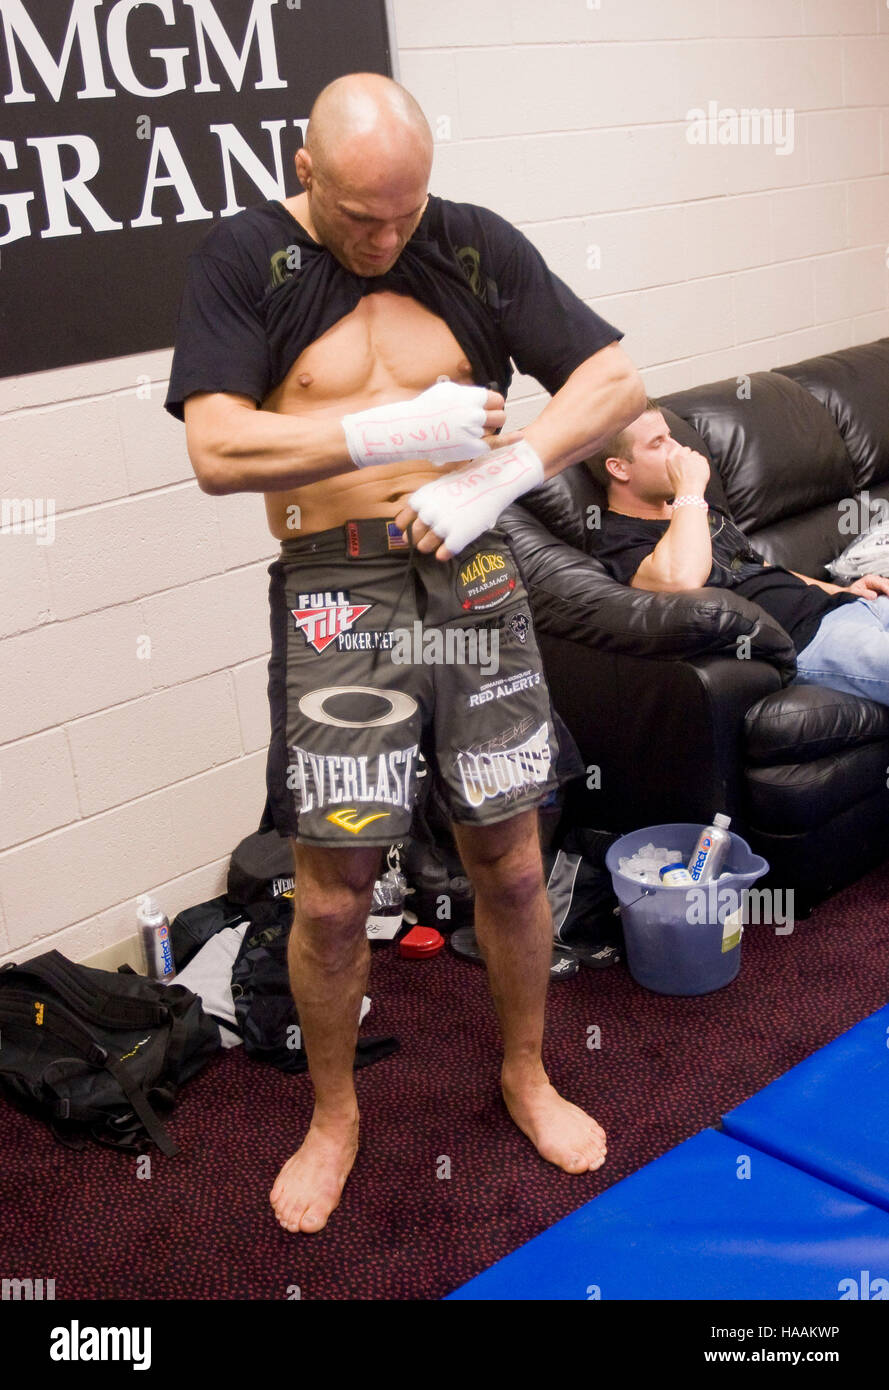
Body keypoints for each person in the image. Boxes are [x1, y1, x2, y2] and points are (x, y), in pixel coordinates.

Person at [165, 72, 646, 1234]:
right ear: (303, 170)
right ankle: (334, 1116)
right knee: (332, 897)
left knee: (515, 865)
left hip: (474, 569)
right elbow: (217, 448)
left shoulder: (471, 245)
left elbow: (617, 378)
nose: (386, 239)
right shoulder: (247, 260)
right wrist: (383, 430)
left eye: (405, 212)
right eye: (358, 217)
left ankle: (525, 1069)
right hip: (337, 587)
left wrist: (508, 468)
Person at [586, 400, 889, 703]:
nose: (677, 450)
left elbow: (760, 566)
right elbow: (682, 580)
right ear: (619, 468)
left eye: (670, 436)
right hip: (810, 639)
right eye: (657, 444)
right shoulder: (615, 536)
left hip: (847, 607)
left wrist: (843, 590)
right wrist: (689, 489)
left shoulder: (702, 511)